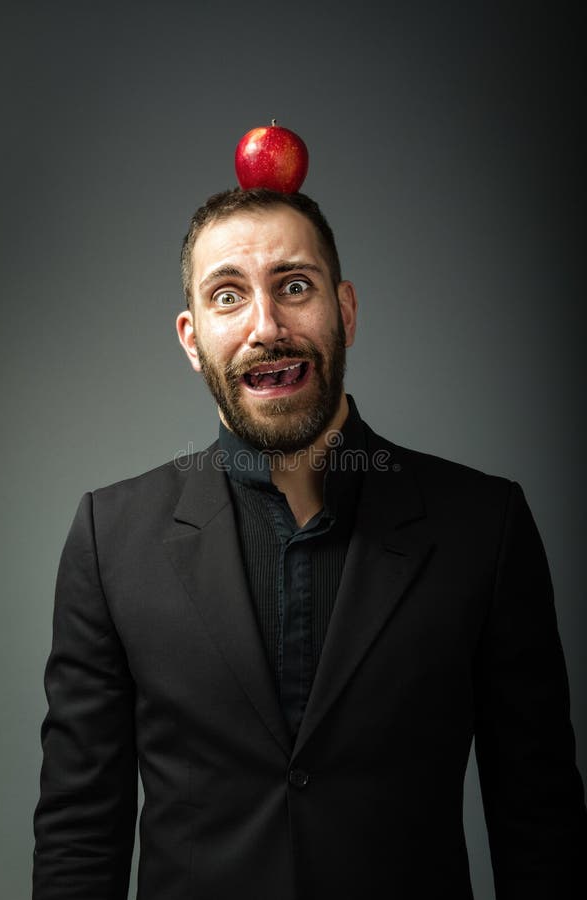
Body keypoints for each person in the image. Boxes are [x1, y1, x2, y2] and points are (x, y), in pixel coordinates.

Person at [33, 188, 587, 899]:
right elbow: (79, 835)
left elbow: (540, 823)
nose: (267, 325)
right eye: (227, 296)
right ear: (192, 339)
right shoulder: (109, 539)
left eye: (295, 286)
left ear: (346, 310)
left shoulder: (486, 525)